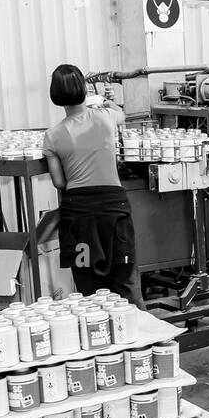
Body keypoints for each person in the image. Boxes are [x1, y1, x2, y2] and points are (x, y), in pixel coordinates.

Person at [43, 64, 144, 307]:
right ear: (83, 90)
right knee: (125, 280)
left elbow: (59, 182)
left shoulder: (52, 136)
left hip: (79, 220)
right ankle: (140, 337)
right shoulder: (105, 117)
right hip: (113, 213)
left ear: (55, 95)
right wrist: (108, 103)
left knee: (88, 282)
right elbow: (122, 114)